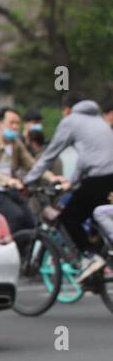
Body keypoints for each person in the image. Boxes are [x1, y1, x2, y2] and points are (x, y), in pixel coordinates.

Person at [24, 92, 113, 282]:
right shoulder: (98, 120)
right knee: (94, 217)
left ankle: (91, 259)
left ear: (66, 109)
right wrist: (72, 184)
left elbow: (50, 154)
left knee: (68, 217)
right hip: (108, 178)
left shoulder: (71, 121)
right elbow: (85, 159)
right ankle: (101, 260)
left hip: (98, 178)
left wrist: (29, 179)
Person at [0, 107, 60, 234]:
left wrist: (51, 177)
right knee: (16, 217)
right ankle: (5, 247)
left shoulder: (15, 144)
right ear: (0, 123)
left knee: (31, 221)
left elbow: (32, 165)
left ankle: (24, 252)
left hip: (10, 191)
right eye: (11, 123)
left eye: (17, 123)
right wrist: (9, 181)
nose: (15, 127)